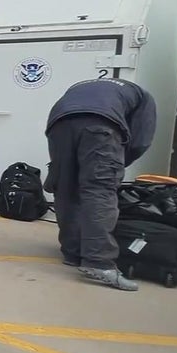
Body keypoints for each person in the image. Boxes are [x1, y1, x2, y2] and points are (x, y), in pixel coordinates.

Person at [45, 77, 157, 291]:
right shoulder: (144, 97)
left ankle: (72, 252)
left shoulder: (80, 85)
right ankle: (98, 262)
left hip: (58, 123)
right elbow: (141, 140)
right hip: (100, 126)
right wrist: (116, 165)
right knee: (100, 191)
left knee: (65, 187)